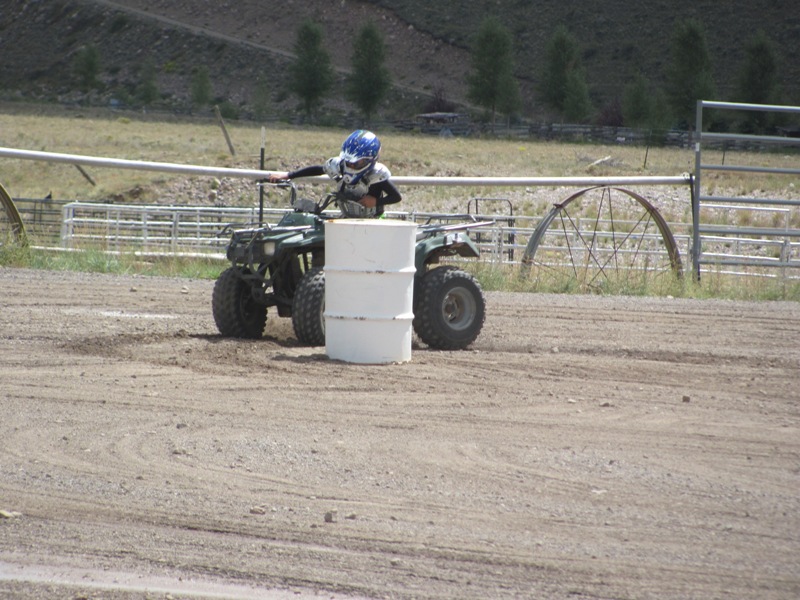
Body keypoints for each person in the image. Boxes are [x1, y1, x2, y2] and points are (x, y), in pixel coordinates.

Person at [269, 130, 401, 217]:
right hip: (347, 217)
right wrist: (288, 175)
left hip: (374, 220)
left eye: (357, 163)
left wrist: (376, 201)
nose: (352, 166)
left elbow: (396, 197)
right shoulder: (339, 165)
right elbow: (318, 169)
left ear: (371, 160)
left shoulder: (377, 174)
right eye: (349, 162)